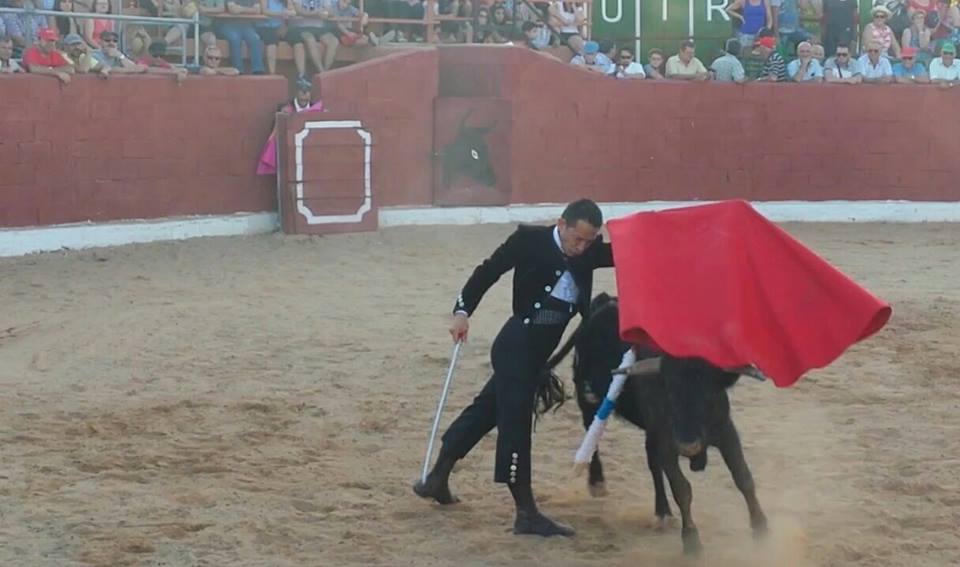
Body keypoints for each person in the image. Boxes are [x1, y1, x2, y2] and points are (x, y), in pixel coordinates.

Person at [414, 199, 615, 538]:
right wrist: (462, 312)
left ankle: (437, 478)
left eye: (589, 240)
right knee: (516, 424)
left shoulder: (591, 252)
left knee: (485, 411)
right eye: (577, 238)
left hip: (536, 354)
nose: (582, 247)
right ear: (562, 224)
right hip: (515, 346)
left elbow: (629, 252)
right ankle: (526, 514)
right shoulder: (529, 240)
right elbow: (488, 271)